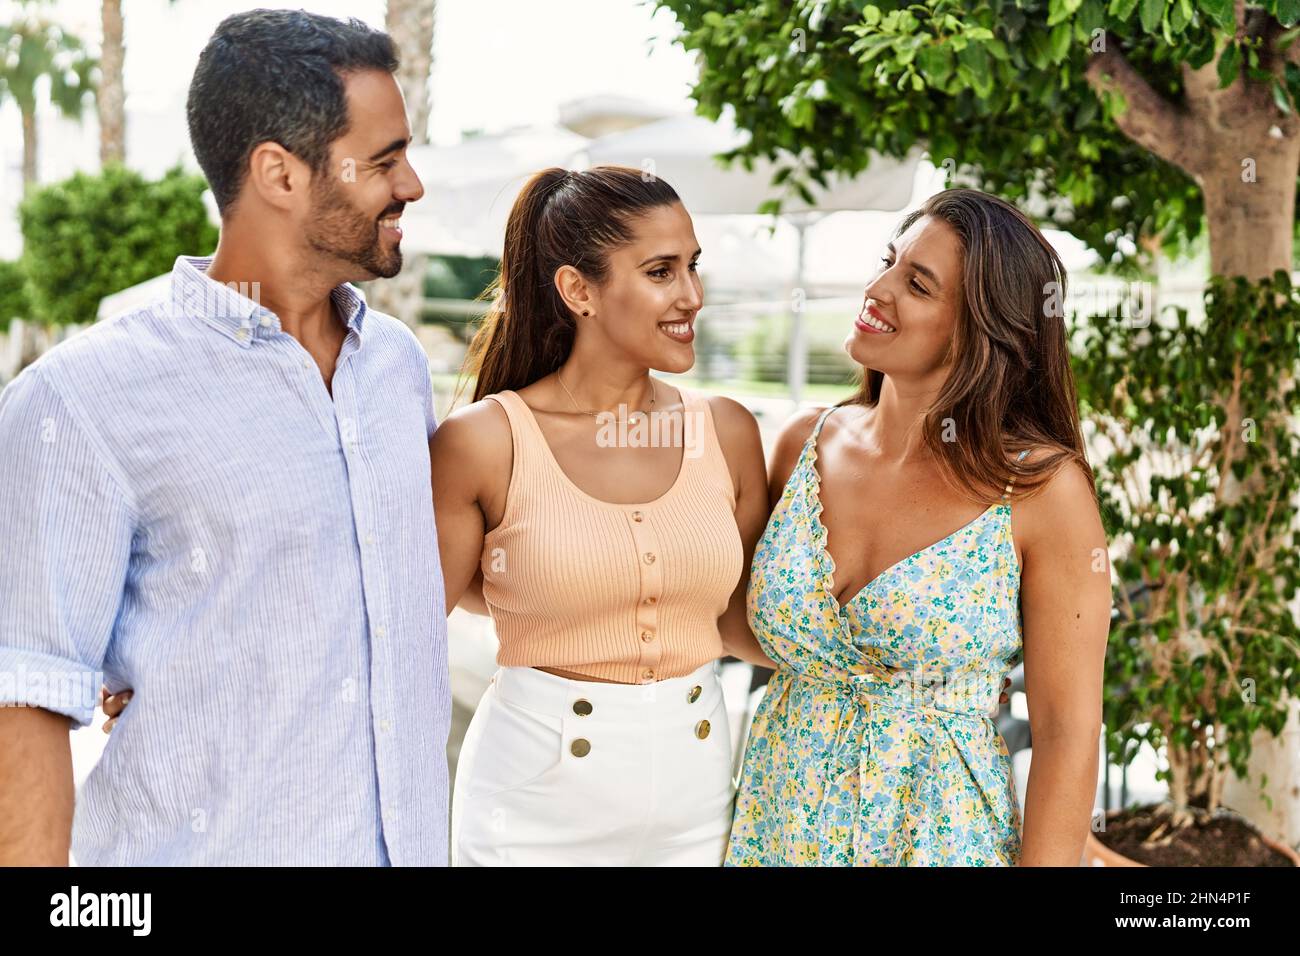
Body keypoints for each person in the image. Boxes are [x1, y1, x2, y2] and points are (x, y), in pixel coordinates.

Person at [0, 10, 449, 866]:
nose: (412, 184)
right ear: (280, 173)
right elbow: (24, 700)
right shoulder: (79, 401)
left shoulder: (396, 370)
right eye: (384, 160)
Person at [726, 188, 1111, 866]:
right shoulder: (801, 446)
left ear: (977, 328)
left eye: (917, 283)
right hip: (777, 825)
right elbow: (730, 624)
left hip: (942, 838)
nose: (876, 289)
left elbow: (1066, 730)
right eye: (888, 262)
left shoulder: (1043, 489)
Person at [428, 166, 772, 866]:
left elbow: (741, 622)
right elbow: (420, 619)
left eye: (693, 266)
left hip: (697, 800)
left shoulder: (728, 433)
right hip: (529, 808)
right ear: (578, 290)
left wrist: (886, 671)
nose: (692, 296)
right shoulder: (483, 442)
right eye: (660, 271)